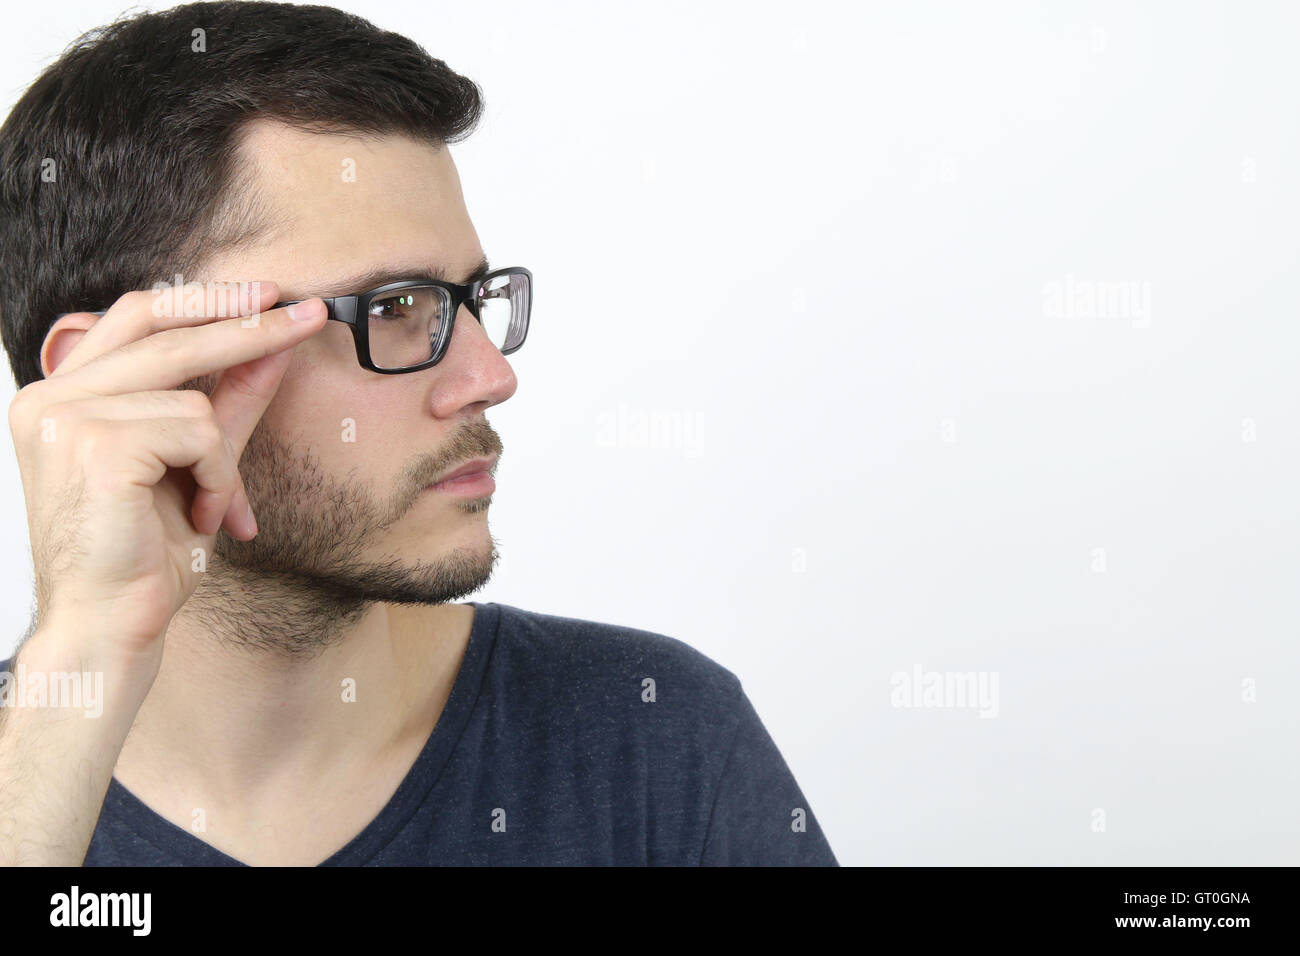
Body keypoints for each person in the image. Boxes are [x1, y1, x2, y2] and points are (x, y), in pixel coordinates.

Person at [0, 1, 837, 866]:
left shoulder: (656, 742)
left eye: (473, 299)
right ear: (116, 375)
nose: (491, 378)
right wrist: (82, 663)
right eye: (395, 308)